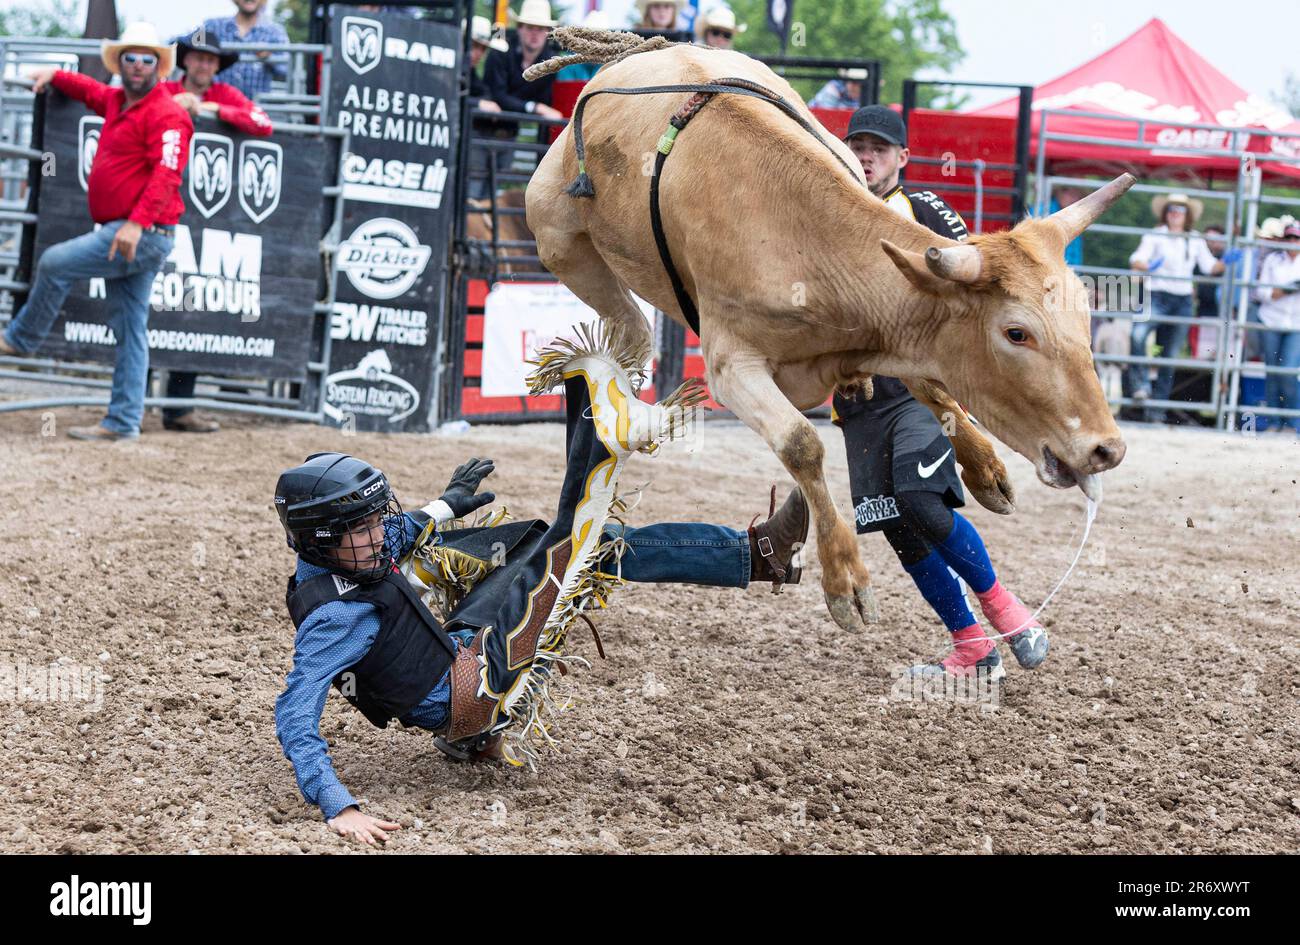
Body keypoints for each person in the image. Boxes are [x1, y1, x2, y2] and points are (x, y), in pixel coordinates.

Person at [274, 340, 809, 844]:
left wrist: (447, 504)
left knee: (553, 543)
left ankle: (754, 552)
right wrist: (337, 805)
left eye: (375, 519)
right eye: (361, 527)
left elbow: (397, 534)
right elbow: (295, 713)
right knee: (573, 542)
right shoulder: (334, 620)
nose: (378, 532)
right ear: (324, 541)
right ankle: (606, 419)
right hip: (474, 692)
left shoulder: (336, 556)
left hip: (455, 647)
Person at [832, 105, 1048, 681]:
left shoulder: (925, 211)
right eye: (856, 144)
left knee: (921, 500)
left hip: (919, 393)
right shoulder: (821, 214)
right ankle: (973, 647)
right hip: (855, 405)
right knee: (898, 524)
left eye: (878, 147)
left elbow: (980, 289)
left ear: (903, 158)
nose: (865, 155)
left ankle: (1010, 613)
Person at [0, 24, 191, 442]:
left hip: (141, 232)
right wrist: (55, 74)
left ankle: (22, 338)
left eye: (146, 59)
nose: (137, 65)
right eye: (130, 57)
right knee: (131, 327)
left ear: (158, 67)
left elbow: (168, 173)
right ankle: (123, 421)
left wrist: (136, 223)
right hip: (134, 231)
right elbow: (90, 91)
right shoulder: (118, 100)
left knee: (55, 263)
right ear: (120, 63)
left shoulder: (168, 113)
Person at [155, 28, 273, 434]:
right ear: (185, 60)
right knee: (149, 302)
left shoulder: (224, 96)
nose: (203, 64)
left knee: (194, 301)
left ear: (217, 67)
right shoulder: (164, 89)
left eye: (211, 60)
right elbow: (136, 112)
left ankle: (177, 408)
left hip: (207, 216)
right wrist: (175, 105)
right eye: (197, 57)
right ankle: (133, 403)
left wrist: (209, 111)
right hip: (158, 202)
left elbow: (262, 122)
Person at [1128, 193, 1239, 423]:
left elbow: (1210, 268)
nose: (1175, 214)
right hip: (1157, 295)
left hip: (1182, 300)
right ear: (1166, 213)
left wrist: (1226, 261)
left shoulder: (1194, 239)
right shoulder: (1155, 235)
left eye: (1180, 210)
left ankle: (1156, 410)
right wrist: (1147, 265)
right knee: (1137, 336)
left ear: (1186, 215)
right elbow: (1136, 260)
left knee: (1168, 354)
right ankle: (1141, 387)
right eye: (1171, 210)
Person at [1253, 222, 1300, 433]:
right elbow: (1261, 292)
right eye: (1289, 238)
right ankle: (1274, 421)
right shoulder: (1273, 260)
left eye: (1296, 239)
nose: (1292, 242)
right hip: (1271, 319)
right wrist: (1286, 291)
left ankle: (1291, 422)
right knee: (1272, 371)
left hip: (1296, 323)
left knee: (1288, 371)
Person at [201, 0, 289, 102]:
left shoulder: (275, 32)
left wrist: (270, 57)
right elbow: (190, 47)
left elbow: (287, 69)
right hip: (217, 106)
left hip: (255, 108)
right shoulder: (214, 26)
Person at [466, 16, 507, 201]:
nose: (479, 53)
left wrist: (483, 102)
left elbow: (482, 91)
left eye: (482, 48)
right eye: (474, 46)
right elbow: (446, 93)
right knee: (473, 189)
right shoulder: (453, 67)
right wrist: (478, 104)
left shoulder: (469, 72)